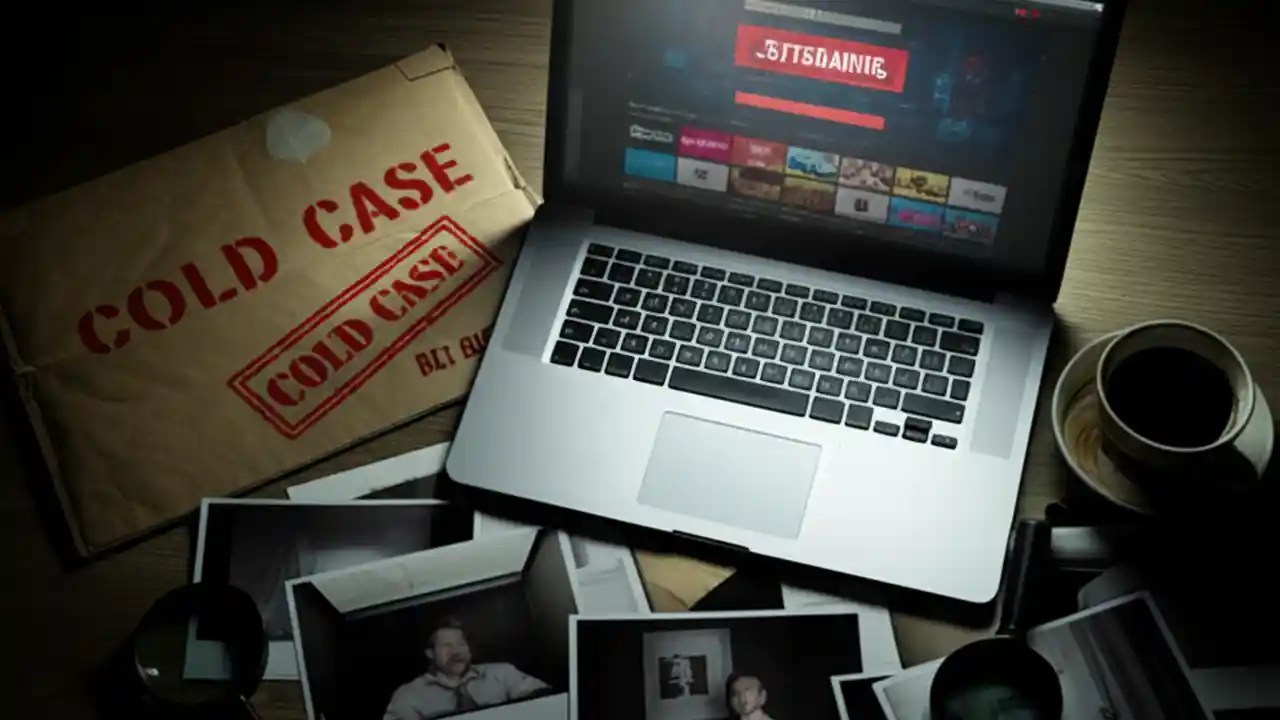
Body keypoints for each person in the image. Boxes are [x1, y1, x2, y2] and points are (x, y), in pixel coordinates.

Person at [383, 617, 550, 720]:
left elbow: (546, 701)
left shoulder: (502, 673)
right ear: (430, 654)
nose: (456, 651)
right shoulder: (408, 695)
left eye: (461, 644)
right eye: (446, 645)